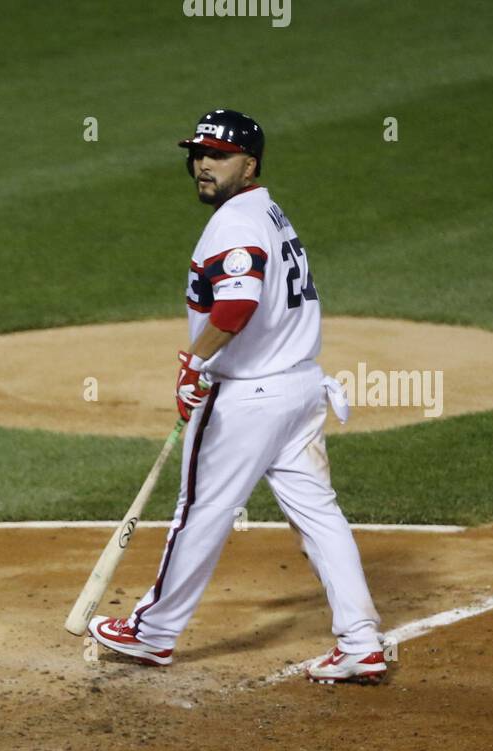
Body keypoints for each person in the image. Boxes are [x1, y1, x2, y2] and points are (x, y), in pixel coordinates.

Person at [87, 110, 386, 685]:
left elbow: (237, 305)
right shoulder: (267, 212)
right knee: (320, 518)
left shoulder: (235, 223)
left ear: (249, 164)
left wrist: (195, 364)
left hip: (249, 397)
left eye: (218, 155)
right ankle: (361, 641)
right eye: (197, 153)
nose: (203, 164)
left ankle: (152, 634)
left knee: (199, 513)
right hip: (299, 390)